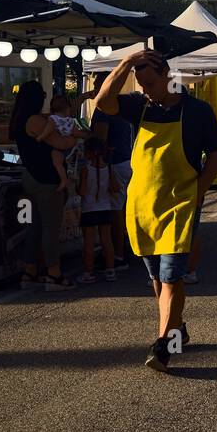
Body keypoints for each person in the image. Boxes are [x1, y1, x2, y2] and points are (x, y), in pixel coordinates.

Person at [94, 49, 217, 373]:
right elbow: (102, 102)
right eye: (140, 83)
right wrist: (124, 64)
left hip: (180, 204)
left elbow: (216, 155)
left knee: (171, 278)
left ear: (168, 75)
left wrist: (198, 193)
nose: (144, 89)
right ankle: (176, 325)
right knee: (156, 277)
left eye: (149, 82)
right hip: (143, 204)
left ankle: (162, 344)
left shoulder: (197, 111)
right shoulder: (139, 106)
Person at [10, 80, 80, 291]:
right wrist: (74, 138)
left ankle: (30, 270)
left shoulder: (20, 119)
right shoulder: (34, 120)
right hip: (46, 179)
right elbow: (61, 142)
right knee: (51, 227)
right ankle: (54, 273)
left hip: (30, 176)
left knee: (35, 226)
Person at [90, 73, 133, 270]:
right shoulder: (121, 106)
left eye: (98, 83)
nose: (94, 87)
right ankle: (122, 250)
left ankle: (118, 256)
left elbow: (100, 140)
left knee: (115, 212)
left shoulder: (103, 109)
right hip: (126, 161)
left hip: (113, 164)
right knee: (122, 210)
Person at [77, 137, 121, 284]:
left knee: (89, 242)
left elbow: (82, 192)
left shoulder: (85, 169)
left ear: (88, 152)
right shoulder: (108, 168)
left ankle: (88, 273)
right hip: (105, 207)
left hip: (89, 209)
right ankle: (110, 270)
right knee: (107, 240)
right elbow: (116, 187)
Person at [46, 95, 89, 192]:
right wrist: (86, 134)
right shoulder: (70, 120)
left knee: (57, 163)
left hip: (60, 149)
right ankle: (69, 179)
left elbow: (48, 131)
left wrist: (40, 137)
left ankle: (64, 179)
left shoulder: (52, 119)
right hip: (71, 149)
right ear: (67, 109)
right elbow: (76, 133)